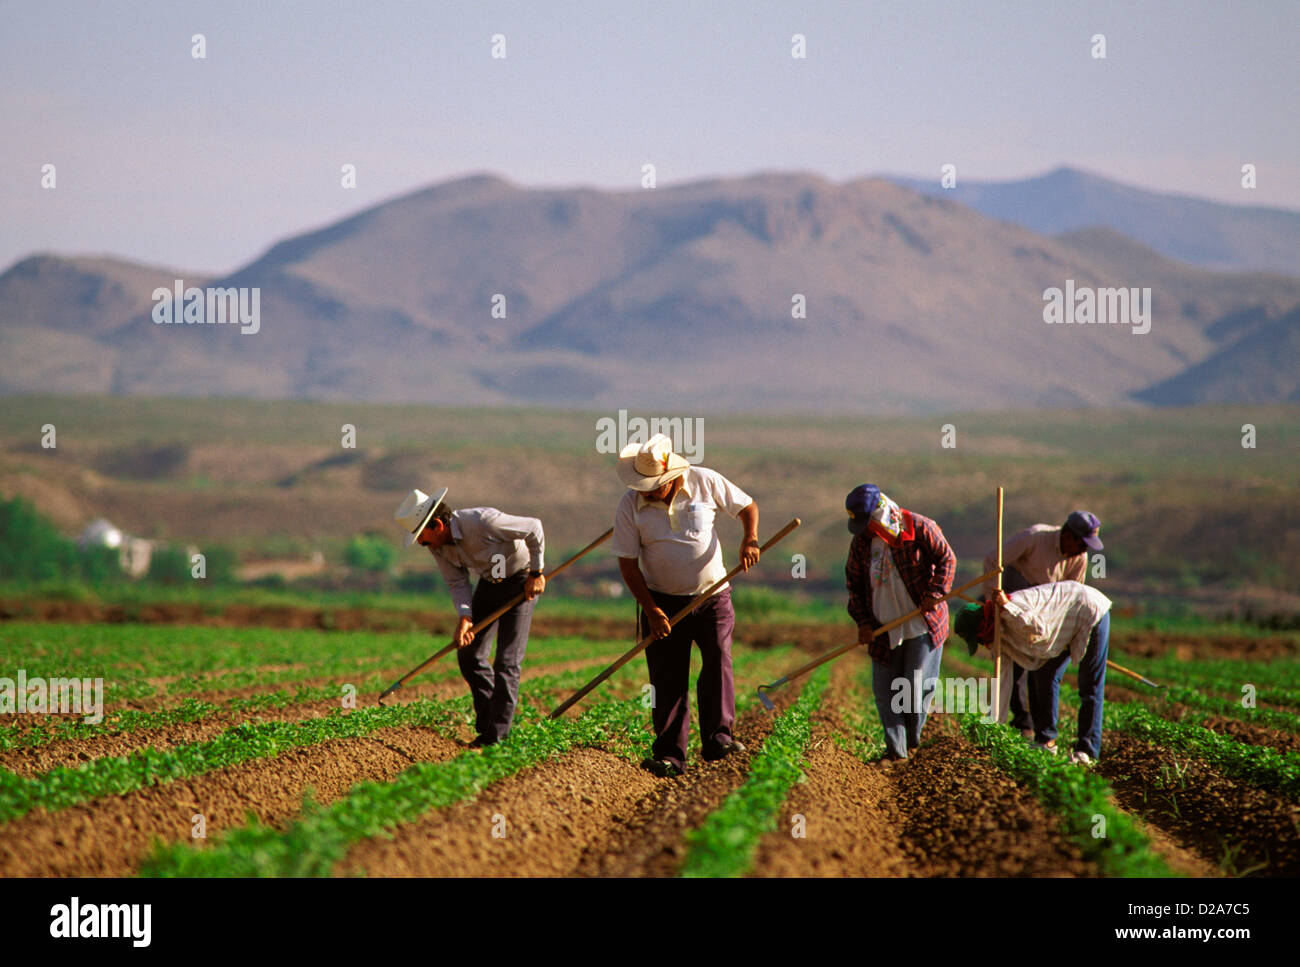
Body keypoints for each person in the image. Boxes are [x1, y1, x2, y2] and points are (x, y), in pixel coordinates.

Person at [610, 433, 759, 778]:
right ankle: (670, 755)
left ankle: (718, 737)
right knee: (667, 677)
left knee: (718, 659)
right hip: (661, 601)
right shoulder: (630, 505)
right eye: (642, 485)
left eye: (653, 486)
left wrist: (749, 540)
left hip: (713, 594)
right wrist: (651, 609)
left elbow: (746, 506)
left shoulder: (705, 482)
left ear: (670, 475)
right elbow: (628, 565)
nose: (646, 491)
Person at [395, 487, 546, 748]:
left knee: (507, 661)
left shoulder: (482, 522)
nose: (422, 544)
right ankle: (489, 723)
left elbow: (534, 527)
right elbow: (456, 582)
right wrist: (465, 616)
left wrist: (536, 573)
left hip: (521, 581)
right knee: (469, 654)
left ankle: (496, 737)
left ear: (438, 524)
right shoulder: (438, 547)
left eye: (423, 537)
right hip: (490, 583)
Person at [845, 484, 956, 762]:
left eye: (867, 522)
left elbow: (947, 559)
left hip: (921, 623)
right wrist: (863, 623)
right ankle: (897, 752)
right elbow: (855, 586)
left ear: (879, 513)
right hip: (884, 629)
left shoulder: (919, 527)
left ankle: (913, 741)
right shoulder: (861, 543)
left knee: (914, 686)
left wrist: (934, 593)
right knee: (886, 691)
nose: (865, 529)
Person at [954, 579, 1111, 764]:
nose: (981, 644)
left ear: (982, 628)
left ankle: (1088, 751)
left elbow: (1038, 628)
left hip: (1088, 611)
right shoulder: (998, 639)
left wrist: (1008, 608)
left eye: (978, 639)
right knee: (1043, 676)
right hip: (1059, 630)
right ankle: (1046, 742)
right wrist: (994, 727)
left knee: (1089, 685)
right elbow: (1003, 683)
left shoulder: (1010, 610)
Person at [980, 511, 1103, 738]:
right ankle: (1021, 721)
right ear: (1068, 535)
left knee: (1042, 668)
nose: (1084, 550)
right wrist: (991, 603)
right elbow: (992, 560)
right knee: (1013, 665)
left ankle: (1040, 731)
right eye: (1082, 544)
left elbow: (1072, 595)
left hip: (1044, 613)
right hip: (1012, 602)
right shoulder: (1034, 537)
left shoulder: (1080, 559)